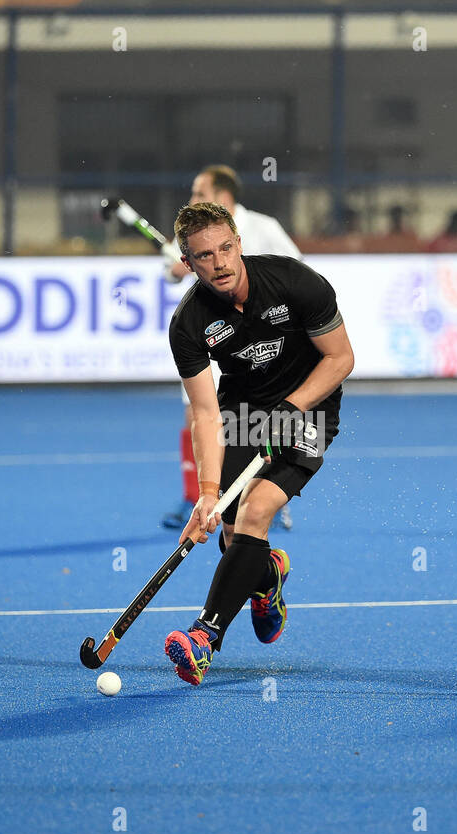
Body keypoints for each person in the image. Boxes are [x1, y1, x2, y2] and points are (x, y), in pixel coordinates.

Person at [163, 201, 354, 686]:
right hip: (243, 411)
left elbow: (340, 358)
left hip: (310, 405)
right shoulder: (188, 324)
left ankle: (203, 637)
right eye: (204, 256)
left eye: (226, 248)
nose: (220, 262)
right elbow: (205, 413)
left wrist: (291, 409)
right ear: (188, 263)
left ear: (239, 243)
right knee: (230, 531)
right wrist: (206, 493)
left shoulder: (295, 282)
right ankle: (266, 577)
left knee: (255, 511)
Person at [160, 164, 301, 532]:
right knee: (198, 416)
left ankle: (272, 495)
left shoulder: (264, 227)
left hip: (260, 344)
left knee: (267, 424)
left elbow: (296, 269)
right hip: (212, 336)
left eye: (199, 193)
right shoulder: (191, 235)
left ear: (223, 198)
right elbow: (168, 270)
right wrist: (177, 270)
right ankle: (198, 497)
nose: (192, 200)